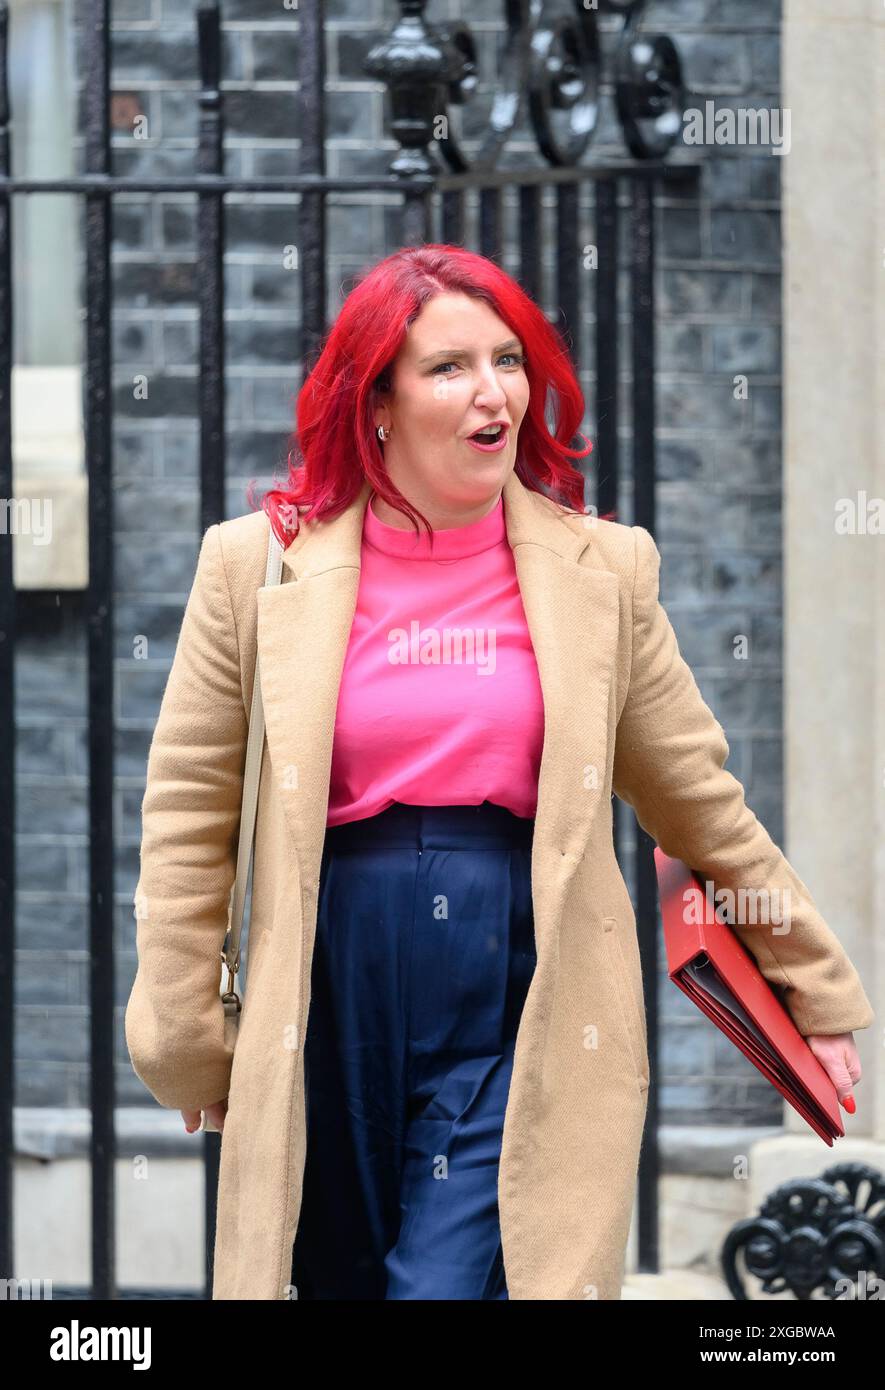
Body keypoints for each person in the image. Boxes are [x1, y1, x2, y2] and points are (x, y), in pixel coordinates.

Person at [125, 244, 873, 1301]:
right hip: (331, 964)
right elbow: (191, 810)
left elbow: (699, 799)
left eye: (510, 360)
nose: (495, 393)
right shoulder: (257, 565)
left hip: (521, 965)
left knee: (449, 1280)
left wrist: (815, 980)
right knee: (340, 1277)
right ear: (374, 399)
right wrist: (190, 1037)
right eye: (450, 367)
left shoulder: (600, 571)